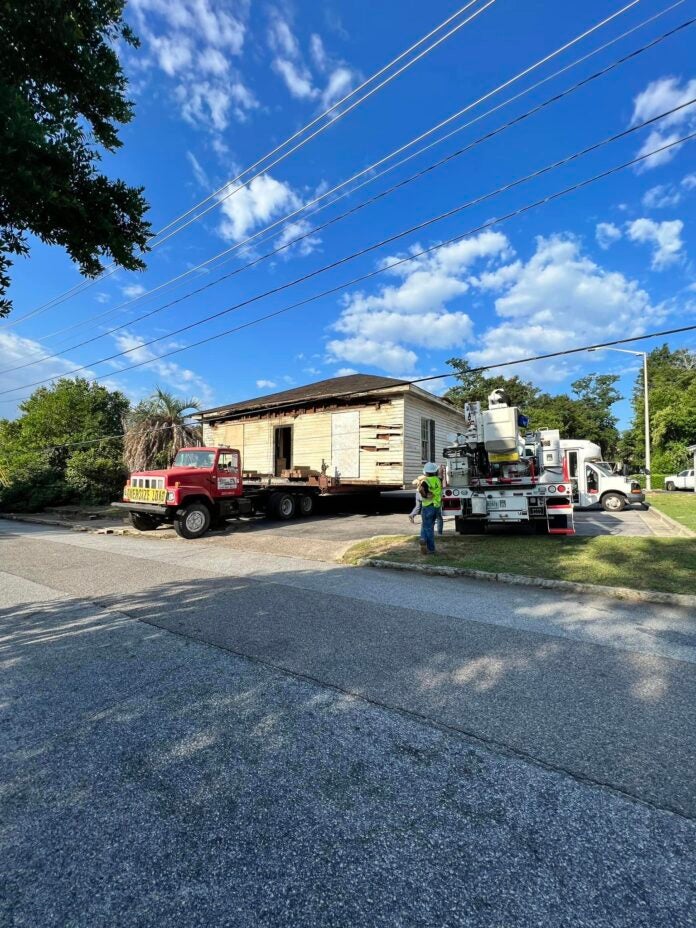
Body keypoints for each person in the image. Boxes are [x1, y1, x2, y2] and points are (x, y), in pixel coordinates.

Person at [414, 462, 442, 555]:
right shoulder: (437, 480)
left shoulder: (426, 481)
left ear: (425, 472)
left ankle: (430, 548)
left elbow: (421, 489)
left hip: (427, 507)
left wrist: (425, 496)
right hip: (436, 507)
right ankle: (423, 539)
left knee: (427, 527)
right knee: (428, 525)